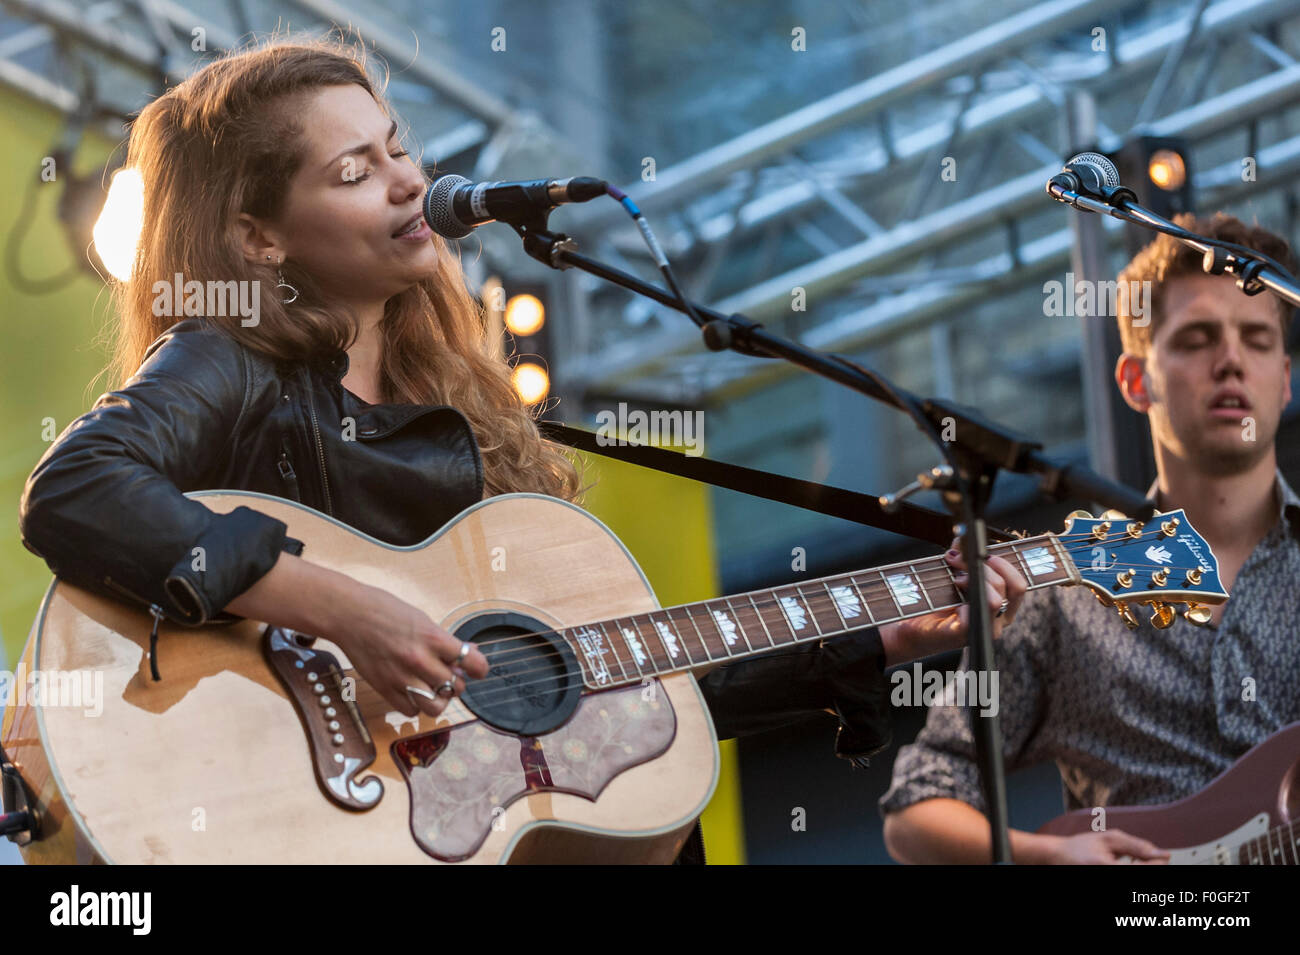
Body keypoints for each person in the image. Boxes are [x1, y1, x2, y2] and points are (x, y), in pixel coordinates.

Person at [17, 36, 1025, 862]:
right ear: (258, 238)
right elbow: (78, 488)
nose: (409, 181)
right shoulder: (227, 358)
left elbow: (594, 690)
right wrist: (335, 605)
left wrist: (877, 633)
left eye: (397, 148)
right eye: (354, 171)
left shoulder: (468, 407)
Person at [880, 211, 1300, 864]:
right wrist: (1043, 857)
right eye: (1195, 339)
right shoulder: (1061, 588)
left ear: (1286, 377)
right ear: (1137, 381)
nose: (1230, 361)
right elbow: (916, 804)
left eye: (1257, 338)